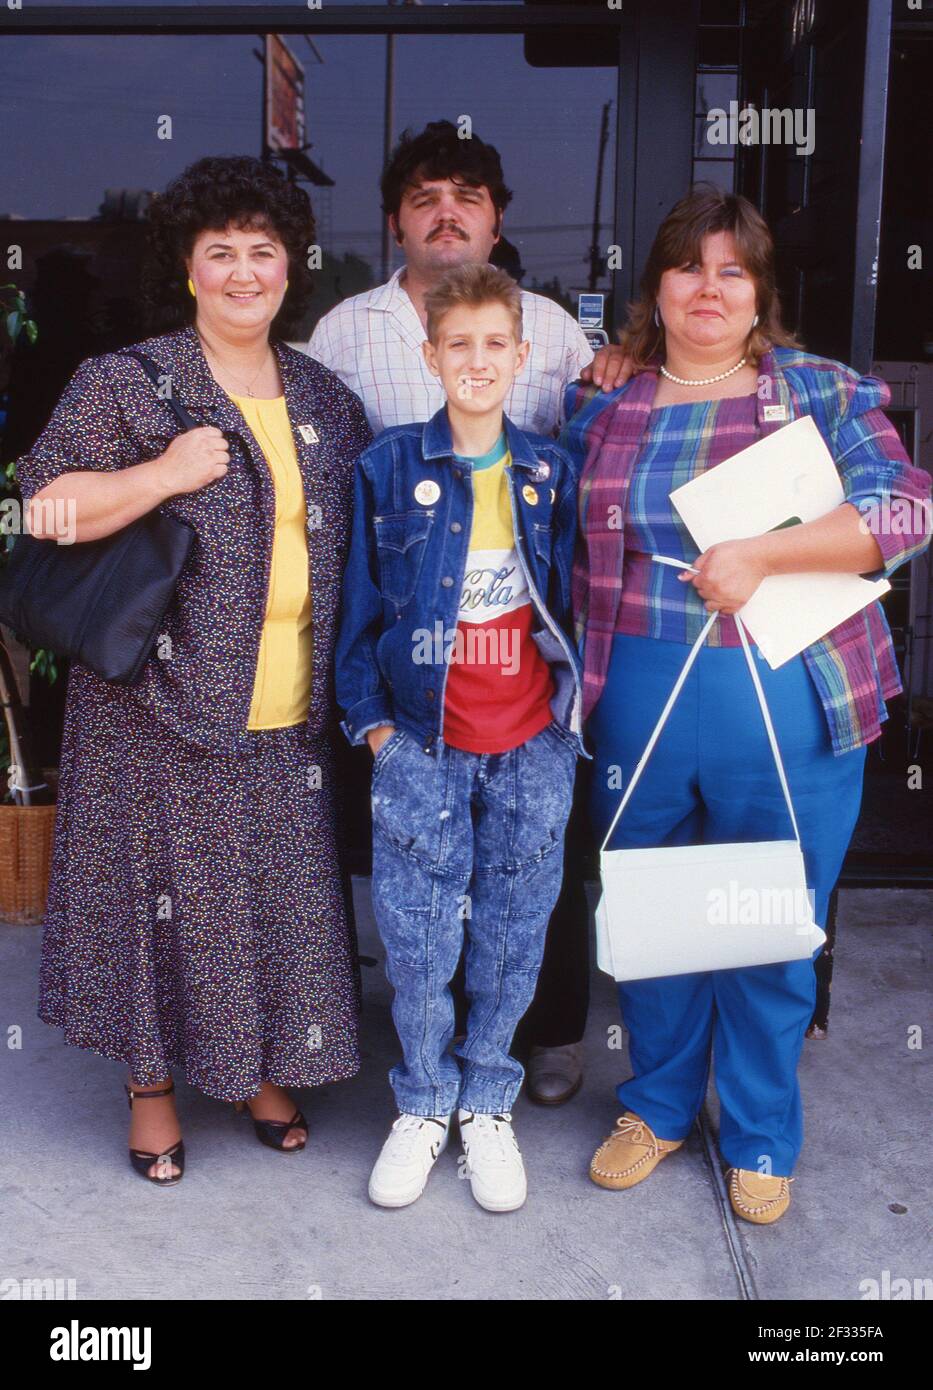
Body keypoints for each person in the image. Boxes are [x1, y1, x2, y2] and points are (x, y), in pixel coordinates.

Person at [563, 185, 931, 1224]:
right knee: (655, 913)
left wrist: (762, 554)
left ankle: (763, 1130)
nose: (708, 286)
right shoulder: (600, 401)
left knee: (770, 914)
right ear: (657, 290)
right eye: (688, 266)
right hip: (637, 682)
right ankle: (659, 1105)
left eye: (732, 268)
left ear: (760, 291)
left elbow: (906, 511)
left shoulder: (818, 389)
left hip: (789, 681)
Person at [16, 156, 372, 1185]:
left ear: (290, 266)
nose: (244, 271)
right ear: (186, 268)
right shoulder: (129, 381)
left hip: (286, 706)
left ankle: (255, 1067)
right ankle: (153, 1088)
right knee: (159, 901)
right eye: (221, 252)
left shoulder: (325, 397)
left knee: (269, 898)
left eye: (263, 250)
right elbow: (43, 506)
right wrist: (162, 473)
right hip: (154, 705)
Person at [311, 119, 628, 1103]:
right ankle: (428, 1043)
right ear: (397, 220)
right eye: (423, 197)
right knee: (416, 860)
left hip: (518, 636)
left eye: (467, 197)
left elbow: (590, 452)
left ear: (494, 221)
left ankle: (549, 1029)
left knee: (540, 853)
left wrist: (631, 353)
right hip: (407, 626)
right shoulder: (345, 328)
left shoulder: (549, 327)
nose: (446, 212)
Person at [335, 264, 585, 1211]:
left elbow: (571, 605)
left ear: (522, 357)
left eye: (494, 345)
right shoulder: (386, 468)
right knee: (417, 937)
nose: (476, 361)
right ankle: (424, 1100)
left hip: (528, 743)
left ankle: (487, 1101)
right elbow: (354, 616)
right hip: (421, 748)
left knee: (514, 937)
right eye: (458, 345)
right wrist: (375, 733)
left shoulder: (549, 470)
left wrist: (565, 727)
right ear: (430, 355)